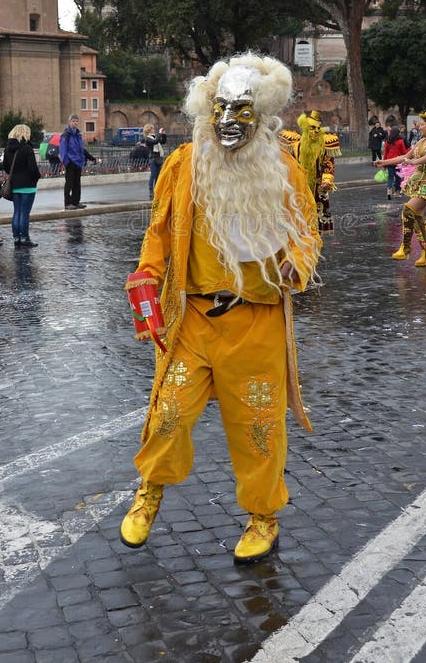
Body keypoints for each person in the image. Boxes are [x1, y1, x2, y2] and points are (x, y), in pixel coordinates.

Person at [119, 53, 321, 565]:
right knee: (168, 416)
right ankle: (149, 494)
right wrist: (147, 275)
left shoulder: (284, 171)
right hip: (192, 320)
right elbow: (159, 233)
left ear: (264, 114)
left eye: (242, 110)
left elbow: (308, 236)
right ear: (206, 110)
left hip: (255, 322)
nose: (229, 121)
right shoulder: (183, 165)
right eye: (221, 108)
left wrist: (292, 263)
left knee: (258, 429)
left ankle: (262, 516)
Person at [376, 108, 426, 266]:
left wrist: (414, 162)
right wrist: (385, 162)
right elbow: (405, 157)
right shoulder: (421, 141)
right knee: (417, 217)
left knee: (408, 209)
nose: (419, 127)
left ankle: (406, 247)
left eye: (422, 124)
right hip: (420, 180)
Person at [280, 110, 341, 233]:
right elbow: (289, 163)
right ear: (306, 129)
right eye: (312, 128)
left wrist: (327, 180)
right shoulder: (295, 145)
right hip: (299, 184)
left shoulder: (324, 145)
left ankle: (315, 233)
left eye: (318, 128)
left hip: (318, 186)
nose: (317, 131)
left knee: (317, 211)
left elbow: (328, 164)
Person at [3, 124, 41, 247]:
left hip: (14, 185)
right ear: (25, 133)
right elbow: (33, 168)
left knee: (17, 212)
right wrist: (36, 177)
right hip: (28, 185)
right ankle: (25, 238)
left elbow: (6, 167)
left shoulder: (8, 148)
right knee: (24, 213)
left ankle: (16, 239)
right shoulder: (27, 148)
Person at [59, 114, 96, 210]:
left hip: (78, 162)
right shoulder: (66, 135)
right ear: (69, 122)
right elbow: (63, 150)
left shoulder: (78, 135)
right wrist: (66, 162)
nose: (75, 123)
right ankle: (68, 203)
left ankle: (76, 202)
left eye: (76, 121)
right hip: (71, 162)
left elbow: (81, 149)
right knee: (69, 184)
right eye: (73, 121)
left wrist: (90, 157)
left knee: (77, 183)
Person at [381, 126, 407, 200]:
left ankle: (389, 191)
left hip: (389, 161)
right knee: (398, 178)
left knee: (390, 178)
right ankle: (397, 192)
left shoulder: (388, 141)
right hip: (398, 162)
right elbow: (404, 152)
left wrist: (384, 163)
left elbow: (385, 153)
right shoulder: (400, 141)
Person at [143, 124, 167, 201]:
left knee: (158, 175)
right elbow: (155, 141)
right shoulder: (147, 139)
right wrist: (159, 134)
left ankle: (157, 190)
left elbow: (163, 142)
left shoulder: (154, 136)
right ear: (148, 130)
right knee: (153, 175)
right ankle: (151, 191)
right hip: (153, 159)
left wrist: (163, 135)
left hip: (159, 158)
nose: (154, 130)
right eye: (152, 129)